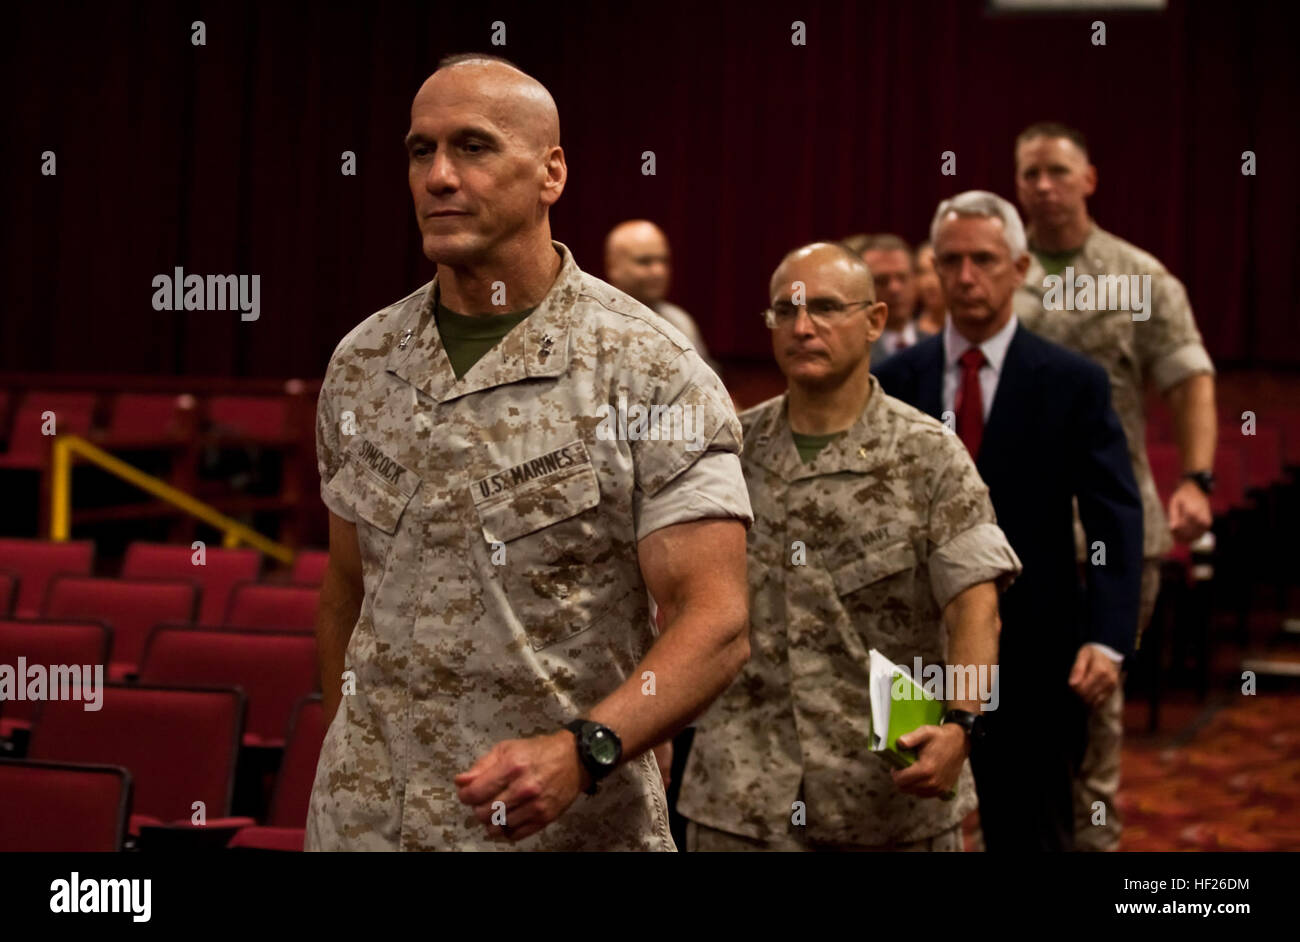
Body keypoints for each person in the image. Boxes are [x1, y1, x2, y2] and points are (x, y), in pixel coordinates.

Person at [306, 53, 753, 852]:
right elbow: (346, 586)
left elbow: (715, 622)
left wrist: (586, 750)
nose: (438, 176)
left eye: (473, 147)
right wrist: (355, 760)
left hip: (561, 832)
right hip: (364, 830)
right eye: (420, 151)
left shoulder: (651, 371)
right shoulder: (363, 362)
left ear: (551, 174)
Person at [676, 241, 1022, 851]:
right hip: (743, 799)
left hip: (889, 797)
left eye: (827, 308)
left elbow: (975, 606)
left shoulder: (928, 455)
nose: (803, 327)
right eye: (786, 310)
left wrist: (964, 724)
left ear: (876, 321)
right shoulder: (727, 453)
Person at [876, 191, 1143, 851]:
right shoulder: (890, 378)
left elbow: (1113, 514)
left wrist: (1109, 638)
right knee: (900, 825)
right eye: (953, 260)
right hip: (914, 650)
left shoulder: (1073, 380)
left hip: (1035, 648)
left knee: (1032, 829)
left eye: (985, 260)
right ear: (934, 268)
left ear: (1020, 268)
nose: (967, 276)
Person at [1013, 122, 1218, 851]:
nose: (1043, 185)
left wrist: (1196, 478)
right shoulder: (992, 272)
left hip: (1109, 534)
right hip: (1005, 534)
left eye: (1057, 172)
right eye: (1030, 172)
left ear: (1089, 179)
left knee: (1092, 712)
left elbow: (1189, 378)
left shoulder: (1138, 276)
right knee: (1004, 717)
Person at [604, 220, 719, 374]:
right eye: (645, 261)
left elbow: (707, 388)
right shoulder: (595, 321)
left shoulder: (680, 322)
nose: (659, 271)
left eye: (664, 261)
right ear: (613, 266)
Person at [857, 234, 920, 367]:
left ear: (915, 280)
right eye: (881, 281)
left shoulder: (938, 345)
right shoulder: (854, 353)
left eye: (902, 278)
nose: (894, 288)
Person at [913, 241, 945, 336]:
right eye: (922, 272)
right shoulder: (907, 335)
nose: (930, 282)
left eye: (936, 271)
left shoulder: (968, 330)